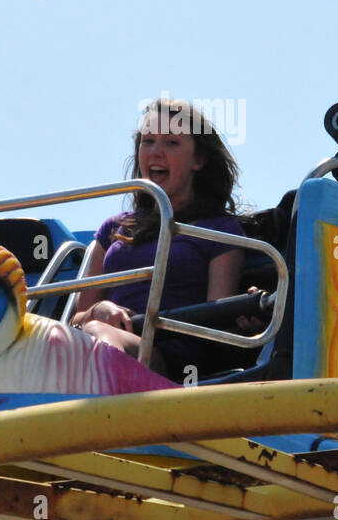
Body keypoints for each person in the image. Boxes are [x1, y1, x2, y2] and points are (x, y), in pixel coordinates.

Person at [71, 98, 258, 379]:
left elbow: (216, 320)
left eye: (172, 143)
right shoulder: (113, 229)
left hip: (170, 358)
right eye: (148, 142)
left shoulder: (219, 230)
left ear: (199, 159)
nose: (156, 153)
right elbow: (77, 317)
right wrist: (100, 309)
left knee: (95, 339)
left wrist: (246, 319)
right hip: (97, 340)